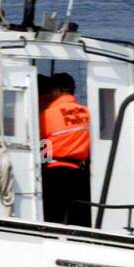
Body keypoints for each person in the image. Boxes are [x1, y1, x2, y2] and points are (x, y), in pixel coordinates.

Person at [39, 72, 91, 226]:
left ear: (56, 90)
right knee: (78, 220)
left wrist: (42, 168)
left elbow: (44, 145)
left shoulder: (47, 115)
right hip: (79, 174)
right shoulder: (86, 112)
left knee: (53, 219)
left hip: (55, 173)